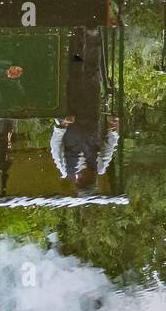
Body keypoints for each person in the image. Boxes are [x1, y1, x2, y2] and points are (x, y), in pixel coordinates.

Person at [49, 27, 119, 195]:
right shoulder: (100, 167)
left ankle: (78, 34)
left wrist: (61, 125)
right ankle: (93, 35)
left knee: (75, 71)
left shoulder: (65, 169)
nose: (89, 177)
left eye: (85, 181)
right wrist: (114, 129)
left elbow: (55, 145)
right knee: (91, 74)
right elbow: (110, 145)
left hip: (71, 111)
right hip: (91, 111)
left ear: (79, 181)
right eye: (90, 181)